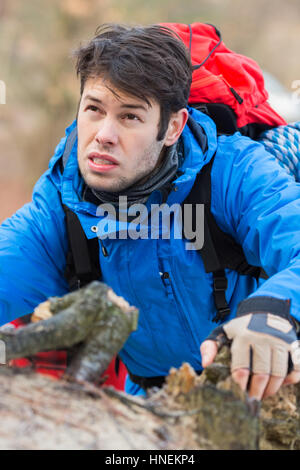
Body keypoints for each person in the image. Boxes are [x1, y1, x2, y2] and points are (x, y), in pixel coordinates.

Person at [1, 23, 300, 401]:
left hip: (263, 388)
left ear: (173, 126)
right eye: (94, 109)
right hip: (150, 406)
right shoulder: (61, 204)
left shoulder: (233, 173)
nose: (103, 134)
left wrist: (274, 311)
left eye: (129, 117)